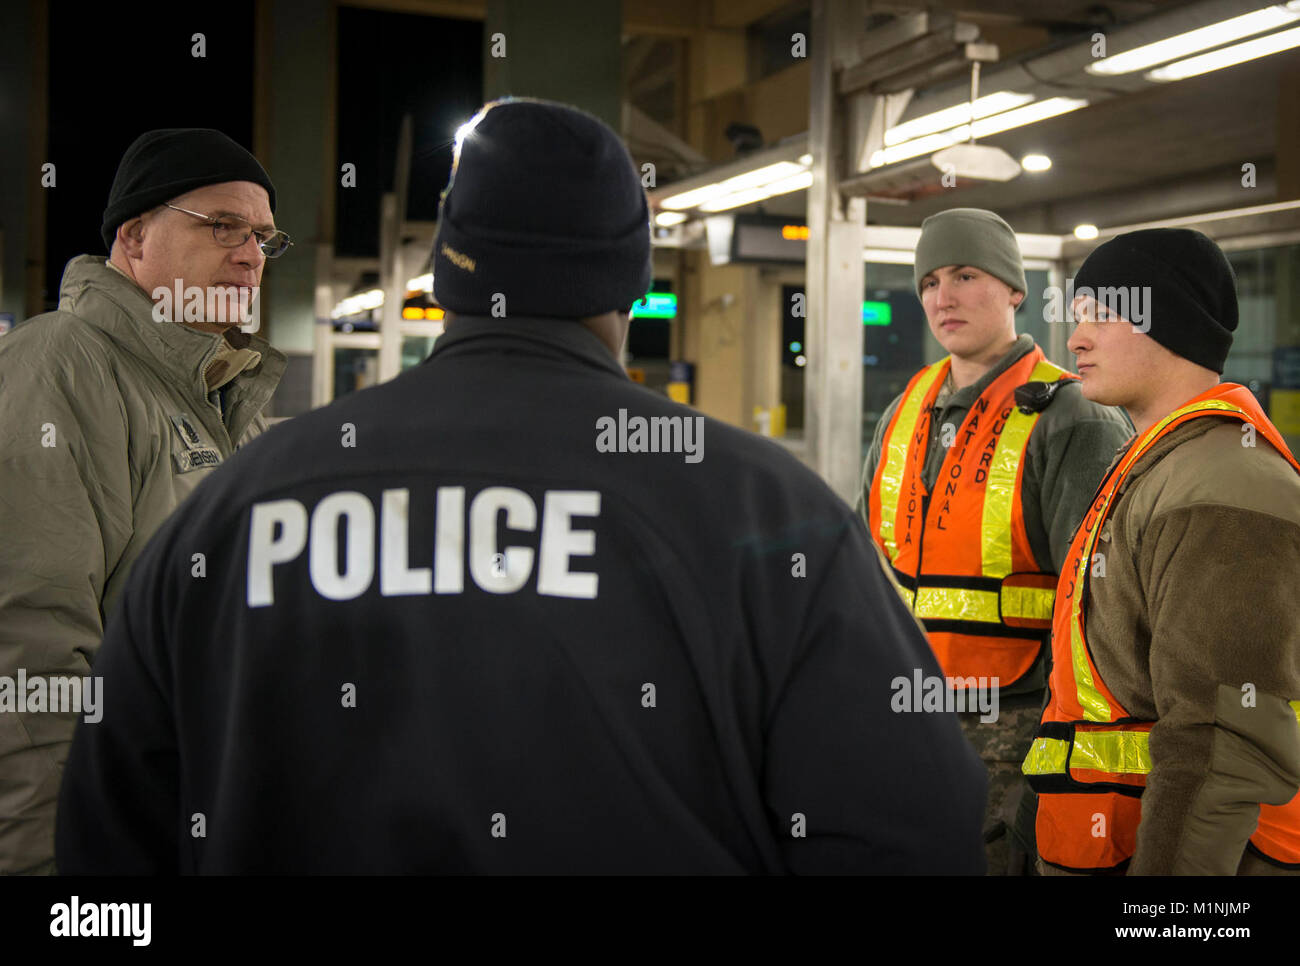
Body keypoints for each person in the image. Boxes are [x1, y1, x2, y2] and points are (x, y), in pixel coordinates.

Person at [56, 98, 986, 874]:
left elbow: (109, 837)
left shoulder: (240, 505)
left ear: (446, 273)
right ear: (630, 280)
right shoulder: (766, 514)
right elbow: (914, 828)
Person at [0, 128, 287, 874]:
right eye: (222, 225)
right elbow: (29, 644)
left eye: (262, 236)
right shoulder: (61, 366)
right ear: (134, 235)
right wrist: (47, 866)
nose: (251, 254)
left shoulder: (227, 399)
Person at [856, 208, 1131, 875]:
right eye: (928, 281)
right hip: (899, 713)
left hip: (1011, 727)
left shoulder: (1076, 416)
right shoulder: (906, 408)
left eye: (965, 274)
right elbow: (861, 567)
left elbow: (1104, 604)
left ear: (1014, 290)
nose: (941, 297)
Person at [1021, 228, 1300, 875]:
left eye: (1103, 315)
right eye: (1078, 315)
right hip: (1105, 841)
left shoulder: (1224, 484)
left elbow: (1220, 742)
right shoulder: (1159, 463)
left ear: (1172, 325)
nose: (1075, 338)